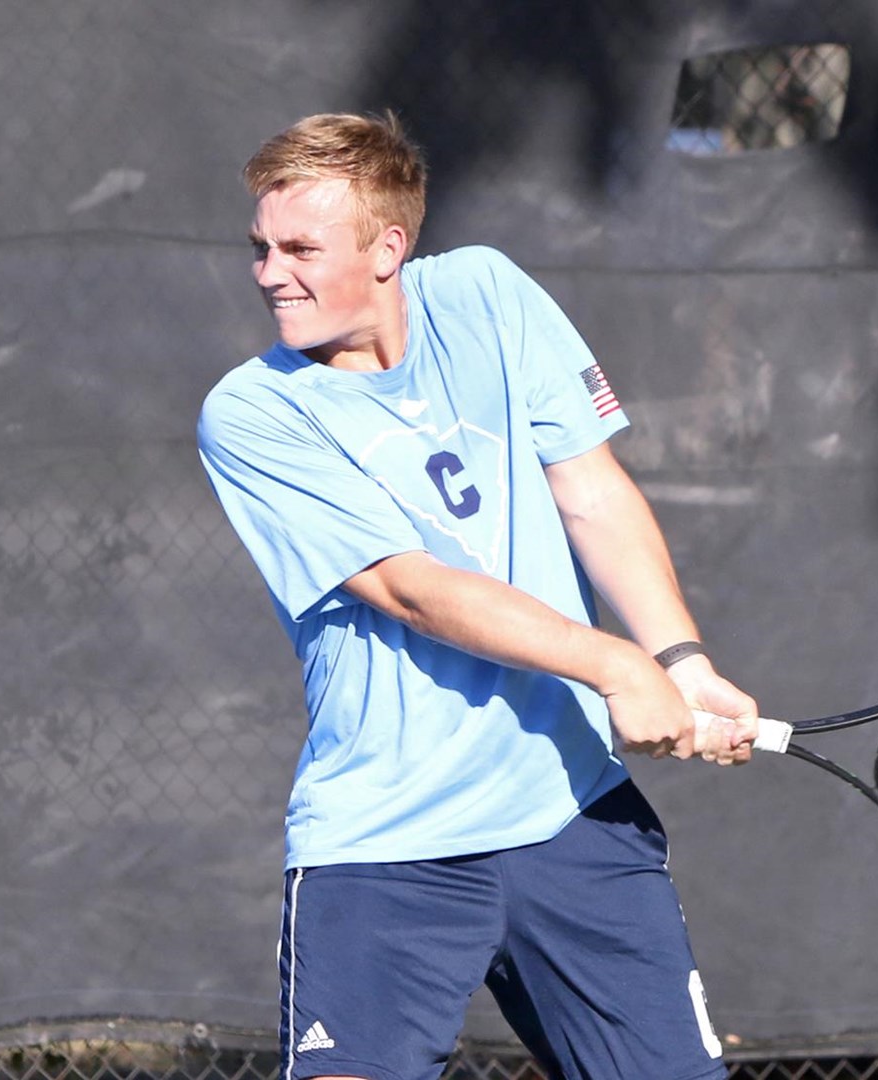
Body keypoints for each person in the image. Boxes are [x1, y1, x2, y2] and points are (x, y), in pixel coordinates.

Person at [194, 111, 763, 1080]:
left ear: (388, 249)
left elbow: (590, 490)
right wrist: (615, 665)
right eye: (261, 248)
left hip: (573, 816)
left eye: (300, 250)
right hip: (385, 846)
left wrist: (680, 660)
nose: (269, 274)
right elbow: (410, 588)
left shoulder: (488, 294)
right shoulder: (252, 413)